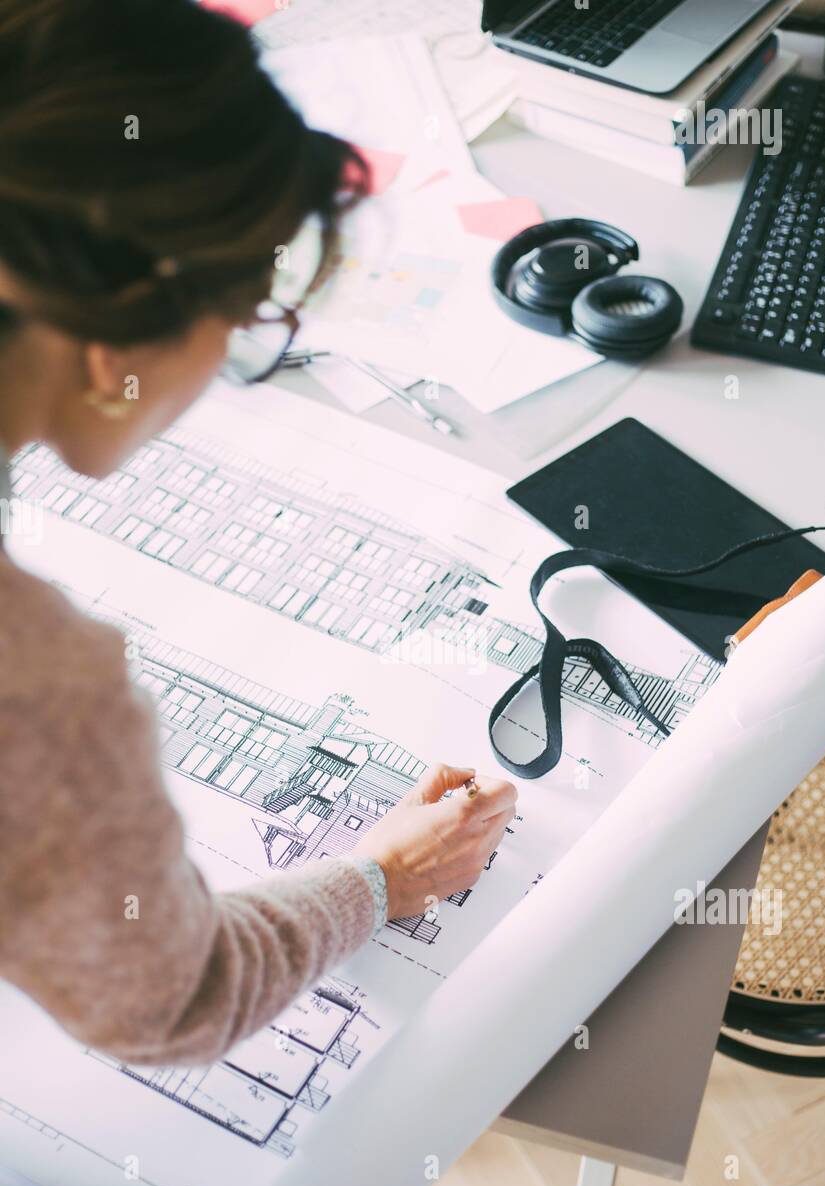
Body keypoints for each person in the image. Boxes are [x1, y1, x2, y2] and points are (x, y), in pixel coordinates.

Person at [0, 0, 517, 1065]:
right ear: (115, 344)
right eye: (246, 324)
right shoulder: (38, 685)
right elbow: (173, 1001)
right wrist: (382, 878)